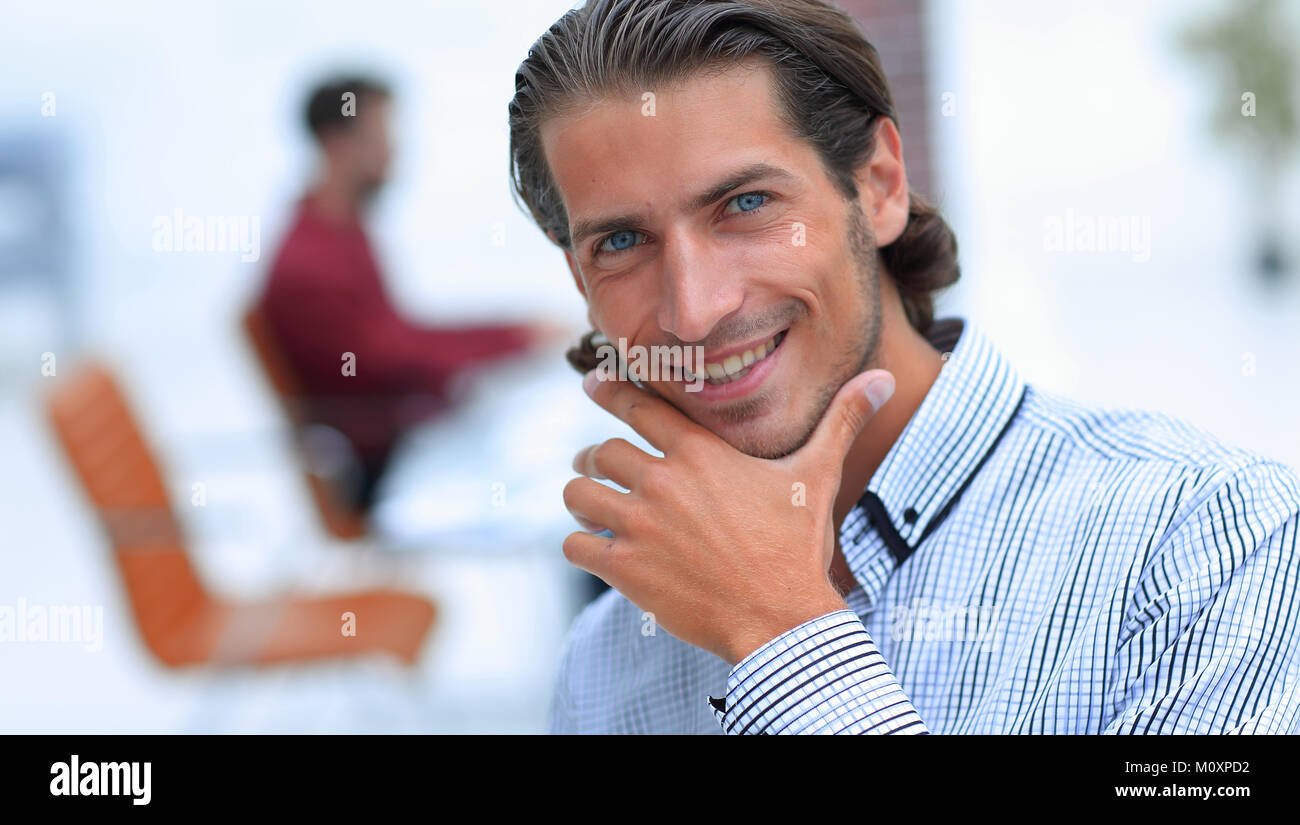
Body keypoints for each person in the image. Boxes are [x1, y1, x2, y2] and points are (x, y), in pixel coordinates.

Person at [508, 0, 1300, 734]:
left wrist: (781, 629)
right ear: (581, 283)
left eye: (746, 203)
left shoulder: (1213, 544)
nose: (695, 309)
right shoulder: (604, 663)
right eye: (620, 242)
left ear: (881, 185)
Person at [259, 75, 553, 512]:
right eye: (381, 136)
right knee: (553, 475)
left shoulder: (337, 234)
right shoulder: (310, 262)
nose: (394, 151)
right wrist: (514, 341)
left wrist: (514, 333)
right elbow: (390, 358)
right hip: (388, 475)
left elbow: (397, 340)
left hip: (405, 450)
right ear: (336, 143)